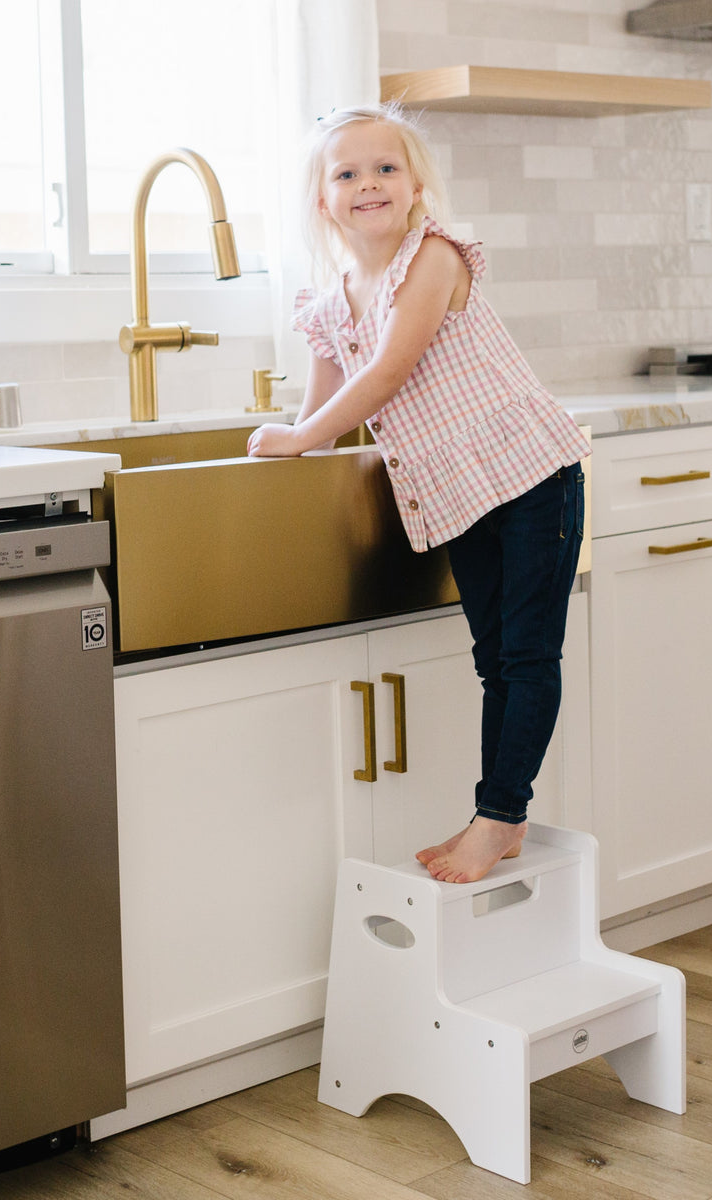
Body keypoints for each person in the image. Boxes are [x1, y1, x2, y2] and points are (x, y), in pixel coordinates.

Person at [247, 102, 590, 884]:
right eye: (347, 173)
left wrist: (302, 438)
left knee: (529, 653)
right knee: (494, 658)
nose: (368, 183)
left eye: (385, 168)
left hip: (533, 475)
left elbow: (389, 372)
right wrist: (290, 446)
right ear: (322, 200)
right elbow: (323, 411)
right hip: (461, 492)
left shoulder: (433, 257)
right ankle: (503, 815)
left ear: (415, 185)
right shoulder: (329, 302)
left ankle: (498, 813)